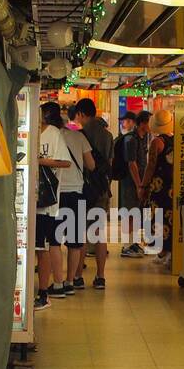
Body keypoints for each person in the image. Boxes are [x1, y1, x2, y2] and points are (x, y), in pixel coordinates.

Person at [46, 100, 95, 296]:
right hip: (77, 192)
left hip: (55, 194)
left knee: (55, 241)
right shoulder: (78, 137)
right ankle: (70, 281)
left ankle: (57, 283)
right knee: (75, 242)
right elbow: (91, 165)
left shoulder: (50, 137)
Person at [72, 98, 113, 289]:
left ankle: (78, 276)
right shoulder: (108, 135)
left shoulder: (78, 134)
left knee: (80, 233)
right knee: (98, 233)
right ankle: (100, 277)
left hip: (82, 188)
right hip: (101, 189)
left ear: (80, 114)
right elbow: (109, 164)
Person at [35, 102, 73, 308]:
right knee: (34, 247)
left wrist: (41, 161)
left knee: (44, 247)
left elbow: (65, 163)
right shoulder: (23, 132)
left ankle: (44, 291)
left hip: (46, 201)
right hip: (26, 200)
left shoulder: (53, 133)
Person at [140, 107, 175, 264]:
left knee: (157, 218)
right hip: (172, 186)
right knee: (170, 218)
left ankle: (162, 251)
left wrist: (143, 185)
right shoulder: (177, 141)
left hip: (158, 187)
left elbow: (151, 165)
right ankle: (170, 252)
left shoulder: (157, 142)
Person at [117, 111, 152, 256]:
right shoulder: (131, 140)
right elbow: (132, 163)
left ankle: (133, 242)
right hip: (130, 182)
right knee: (130, 213)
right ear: (143, 123)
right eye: (150, 122)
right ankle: (126, 246)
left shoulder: (143, 138)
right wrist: (139, 185)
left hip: (139, 181)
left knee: (136, 213)